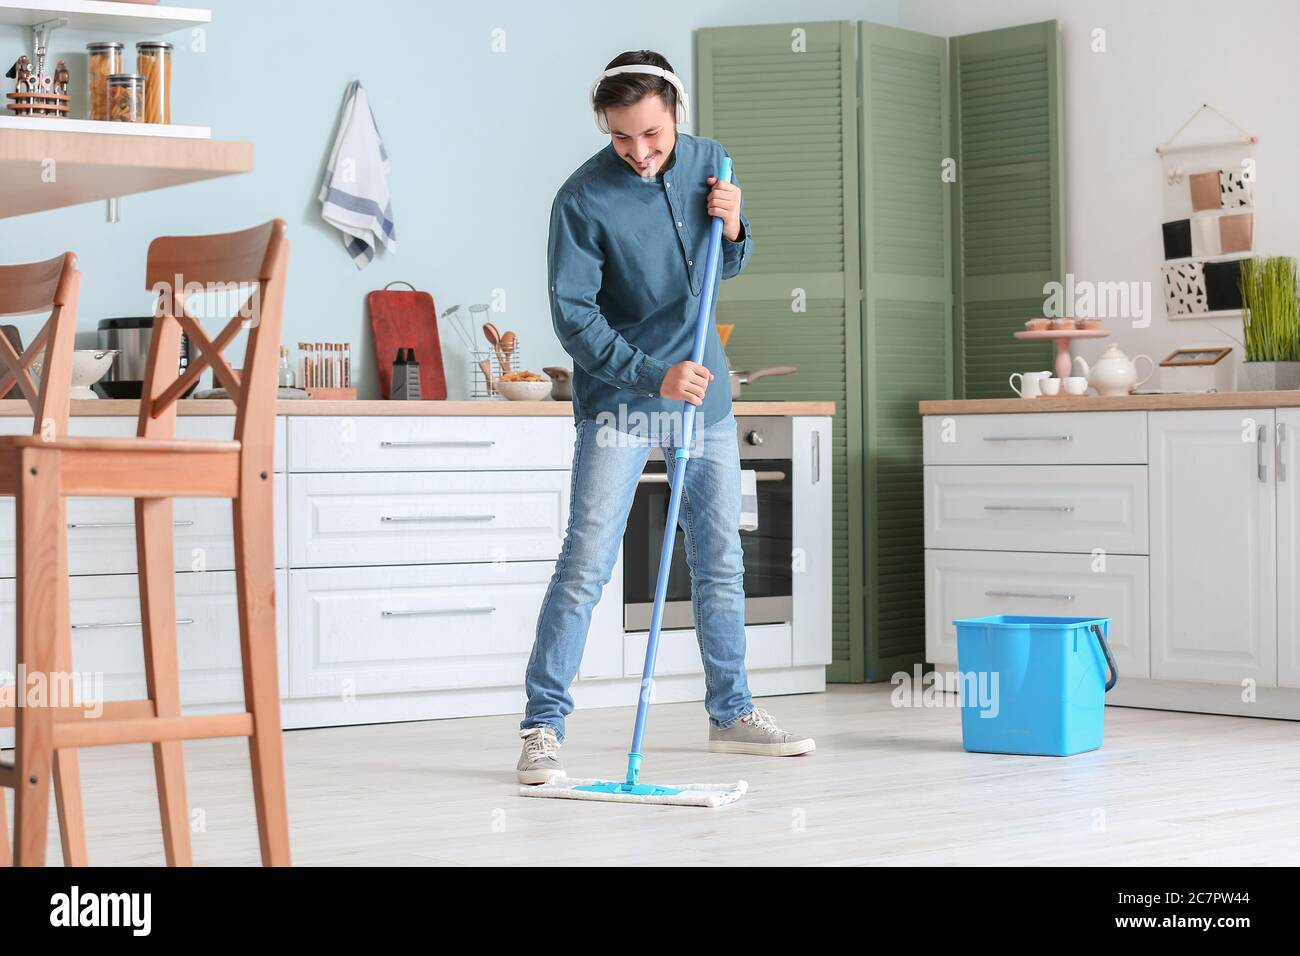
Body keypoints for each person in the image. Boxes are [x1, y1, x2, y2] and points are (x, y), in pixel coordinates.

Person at [517, 50, 815, 785]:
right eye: (623, 138)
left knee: (720, 560)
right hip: (623, 402)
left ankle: (732, 712)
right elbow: (574, 319)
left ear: (675, 113)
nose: (641, 152)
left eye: (652, 134)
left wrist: (738, 228)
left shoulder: (712, 161)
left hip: (705, 398)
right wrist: (655, 373)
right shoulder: (581, 200)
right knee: (585, 564)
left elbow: (725, 265)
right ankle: (543, 727)